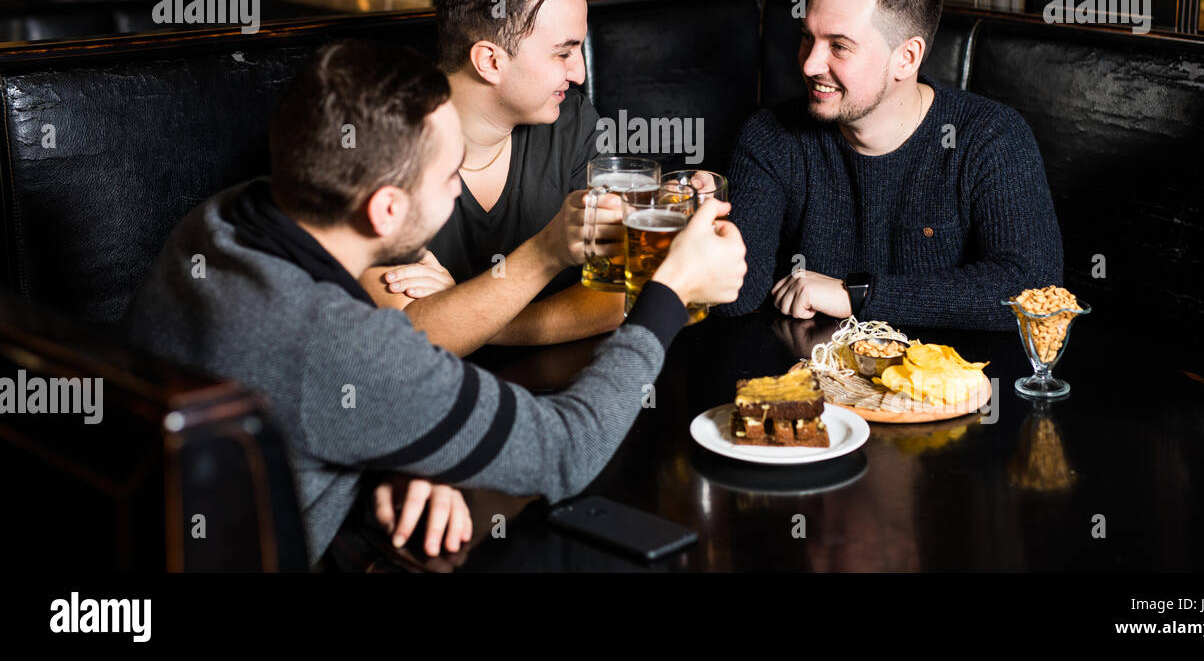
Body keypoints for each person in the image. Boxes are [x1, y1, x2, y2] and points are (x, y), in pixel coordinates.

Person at [121, 40, 746, 566]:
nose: (458, 189)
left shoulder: (217, 223)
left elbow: (313, 400)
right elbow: (566, 451)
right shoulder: (348, 346)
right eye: (451, 176)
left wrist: (405, 440)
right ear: (386, 210)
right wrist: (668, 297)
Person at [715, 0, 1062, 330]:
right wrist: (697, 227)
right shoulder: (770, 137)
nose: (810, 64)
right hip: (809, 380)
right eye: (807, 37)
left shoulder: (989, 137)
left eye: (839, 47)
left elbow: (1034, 291)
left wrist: (857, 295)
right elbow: (736, 298)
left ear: (907, 57)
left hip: (948, 382)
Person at [359, 0, 625, 353]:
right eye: (564, 53)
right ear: (490, 61)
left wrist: (467, 310)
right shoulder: (382, 143)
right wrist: (543, 258)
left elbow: (617, 296)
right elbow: (414, 336)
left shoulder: (570, 121)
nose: (579, 72)